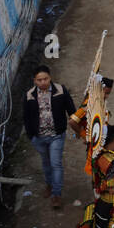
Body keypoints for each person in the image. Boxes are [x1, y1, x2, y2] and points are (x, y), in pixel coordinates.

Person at [22, 65, 75, 209]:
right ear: (34, 81)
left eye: (45, 79)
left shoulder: (60, 91)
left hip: (56, 136)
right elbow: (26, 117)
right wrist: (31, 136)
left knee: (56, 164)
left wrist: (76, 124)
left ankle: (56, 195)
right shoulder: (29, 95)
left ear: (50, 78)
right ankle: (49, 185)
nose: (43, 82)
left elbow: (72, 110)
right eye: (39, 80)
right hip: (38, 138)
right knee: (46, 163)